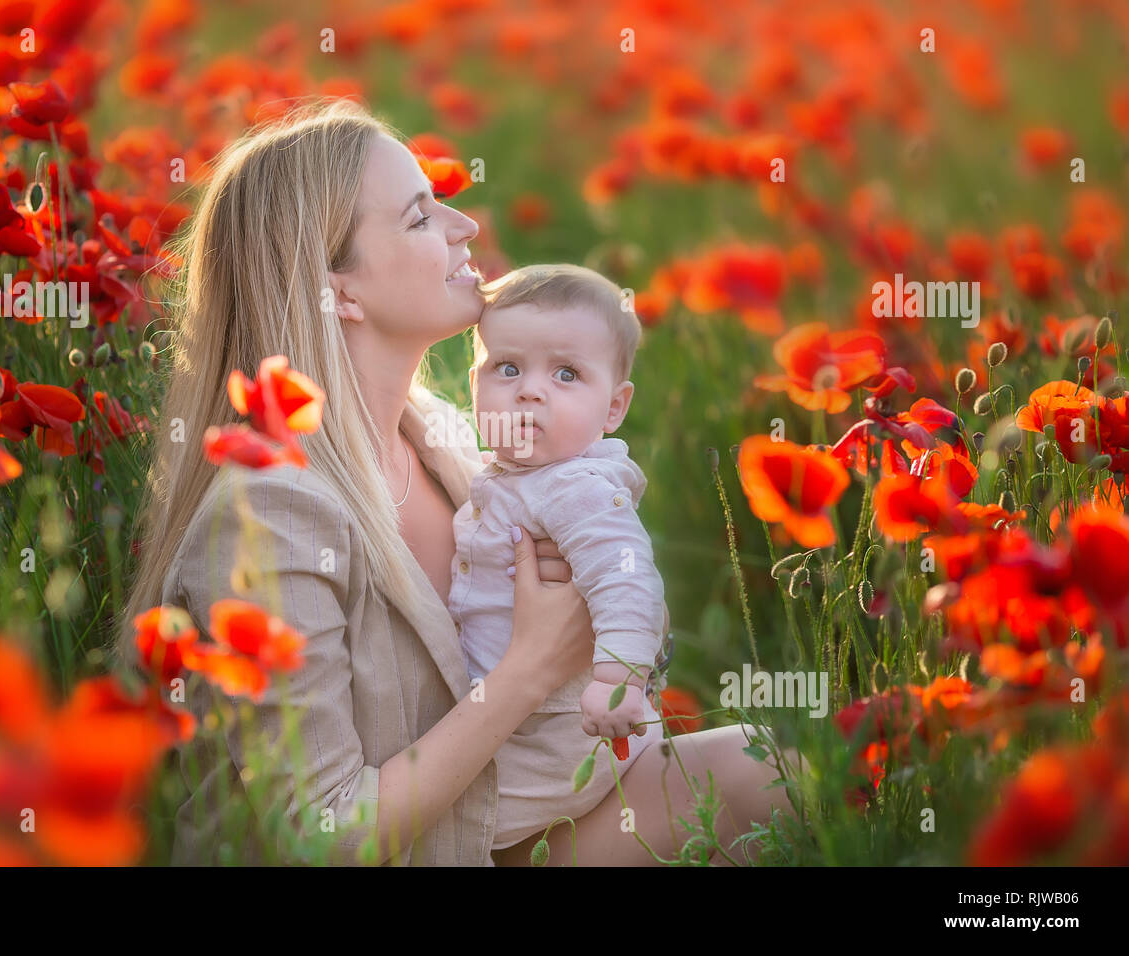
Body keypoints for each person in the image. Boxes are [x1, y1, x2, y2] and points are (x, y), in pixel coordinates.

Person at [124, 97, 796, 866]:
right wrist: (526, 672)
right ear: (338, 290)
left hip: (487, 834)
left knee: (762, 770)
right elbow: (322, 836)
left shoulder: (445, 438)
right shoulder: (270, 508)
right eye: (419, 217)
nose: (466, 227)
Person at [449, 263, 668, 855]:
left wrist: (620, 677)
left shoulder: (576, 489)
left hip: (562, 735)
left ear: (614, 408)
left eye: (566, 374)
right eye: (508, 367)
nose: (530, 389)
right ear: (474, 385)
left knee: (449, 824)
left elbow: (627, 579)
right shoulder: (513, 478)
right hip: (521, 722)